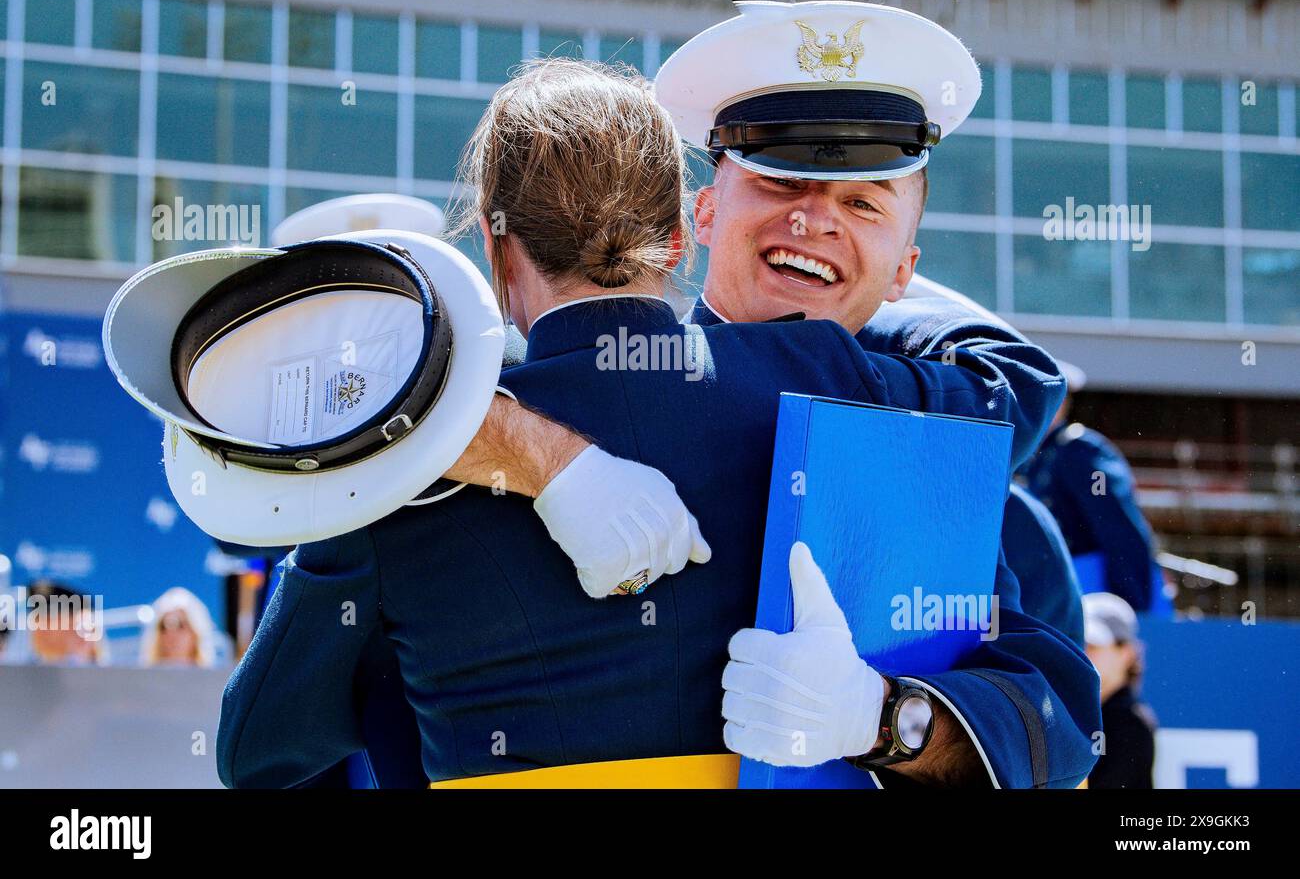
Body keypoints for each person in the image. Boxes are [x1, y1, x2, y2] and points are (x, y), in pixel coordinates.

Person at [218, 57, 1097, 788]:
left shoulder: (405, 470)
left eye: (858, 205)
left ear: (494, 249)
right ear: (686, 232)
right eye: (786, 185)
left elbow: (259, 748)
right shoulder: (857, 392)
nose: (814, 218)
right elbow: (1059, 718)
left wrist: (362, 476)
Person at [1021, 361, 1165, 613]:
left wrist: (1130, 607)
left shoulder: (1080, 451)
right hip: (1058, 586)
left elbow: (1119, 529)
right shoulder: (1038, 457)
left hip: (1095, 589)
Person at [1082, 592, 1157, 788]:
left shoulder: (1130, 724)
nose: (1082, 652)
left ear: (1126, 653)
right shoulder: (1082, 714)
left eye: (1093, 645)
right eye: (1077, 642)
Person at [139, 587, 219, 668]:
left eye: (180, 625)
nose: (170, 634)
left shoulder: (215, 679)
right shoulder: (143, 679)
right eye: (163, 626)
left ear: (195, 632)